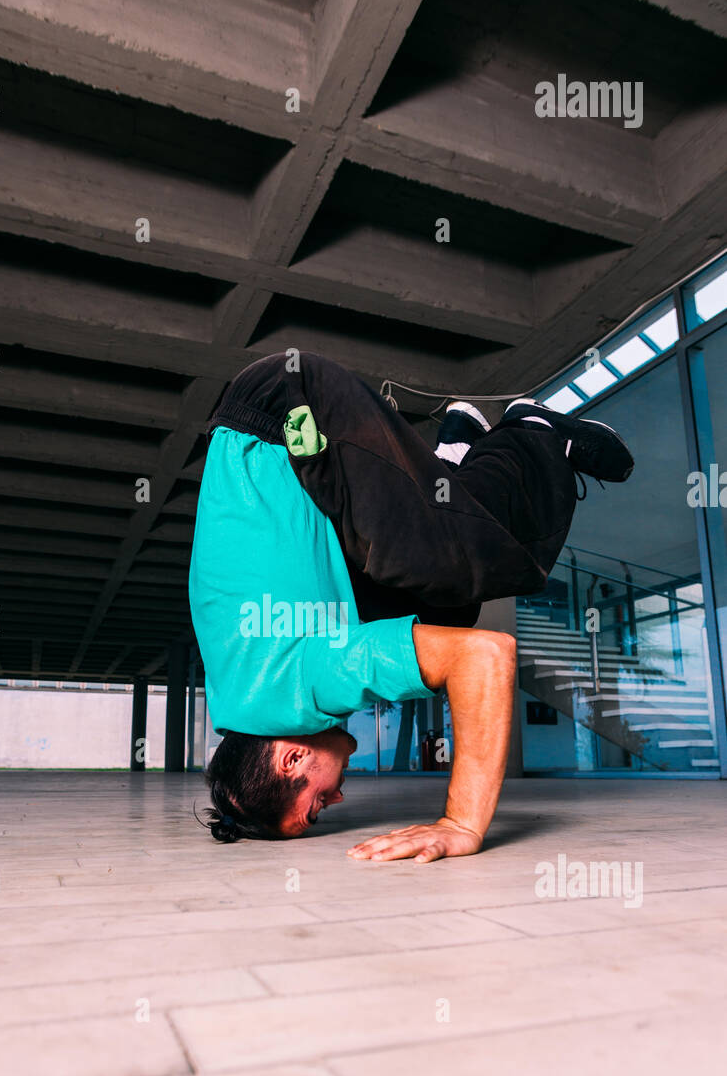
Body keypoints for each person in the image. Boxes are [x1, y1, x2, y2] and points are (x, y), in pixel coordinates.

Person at [188, 351, 633, 862]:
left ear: (290, 759)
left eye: (317, 805)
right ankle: (455, 454)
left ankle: (535, 433)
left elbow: (484, 655)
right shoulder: (242, 700)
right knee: (443, 606)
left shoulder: (297, 687)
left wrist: (461, 823)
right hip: (269, 436)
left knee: (467, 561)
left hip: (290, 412)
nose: (337, 799)